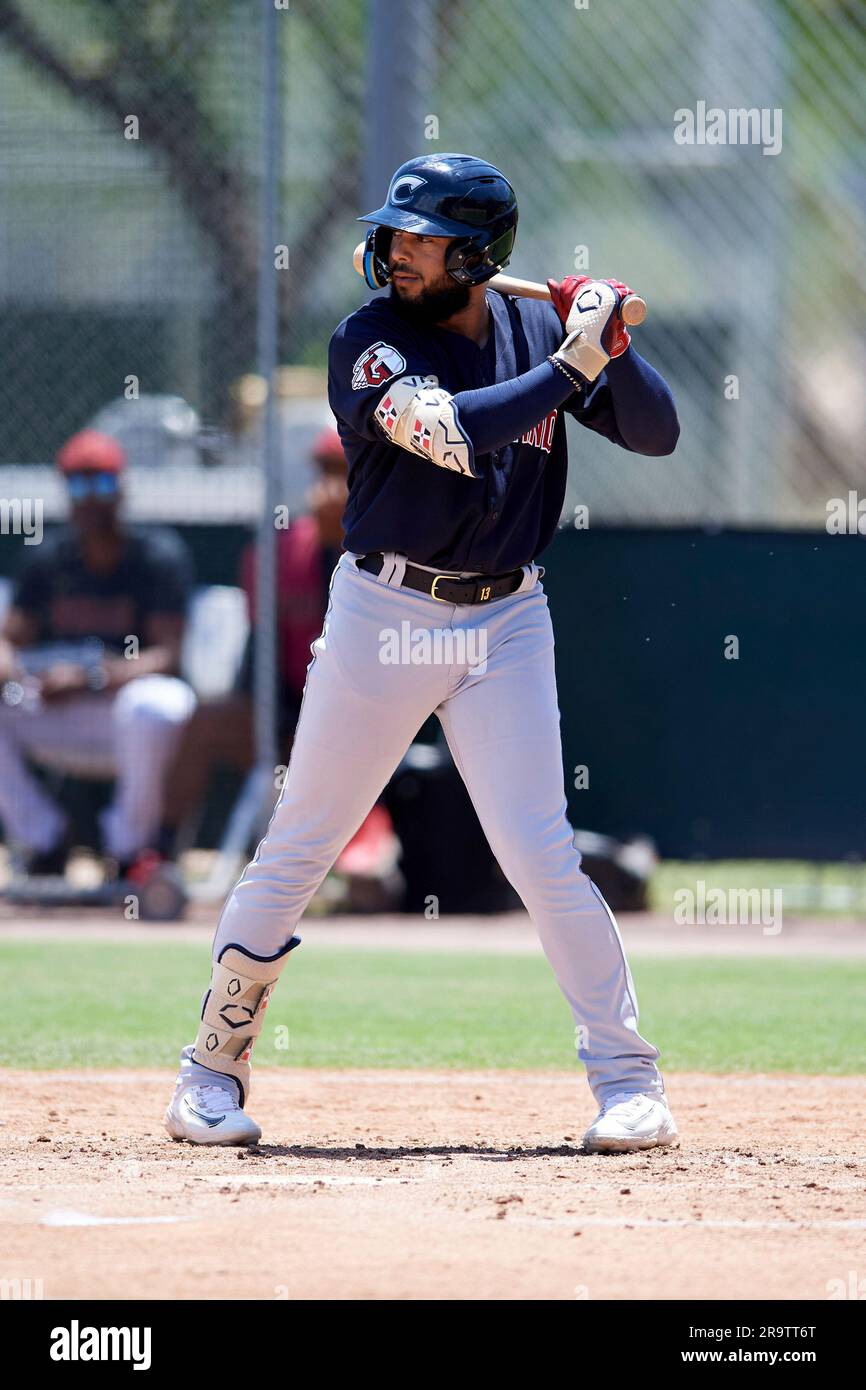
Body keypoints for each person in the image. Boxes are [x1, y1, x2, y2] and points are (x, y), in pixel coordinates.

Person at [164, 153, 681, 1154]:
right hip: (381, 611)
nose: (394, 252)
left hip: (507, 617)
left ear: (477, 253)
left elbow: (655, 434)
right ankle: (208, 1076)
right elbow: (450, 433)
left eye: (420, 239)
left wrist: (609, 341)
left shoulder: (534, 327)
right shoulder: (366, 341)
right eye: (394, 235)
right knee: (302, 840)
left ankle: (628, 1081)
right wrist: (572, 365)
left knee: (541, 851)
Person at [0, 429, 195, 879]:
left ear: (122, 489)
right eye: (78, 485)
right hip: (59, 711)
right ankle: (44, 842)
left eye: (102, 484)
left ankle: (130, 853)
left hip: (128, 716)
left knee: (153, 705)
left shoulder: (157, 557)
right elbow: (11, 637)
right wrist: (17, 671)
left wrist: (89, 677)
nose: (90, 499)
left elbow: (168, 656)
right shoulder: (47, 559)